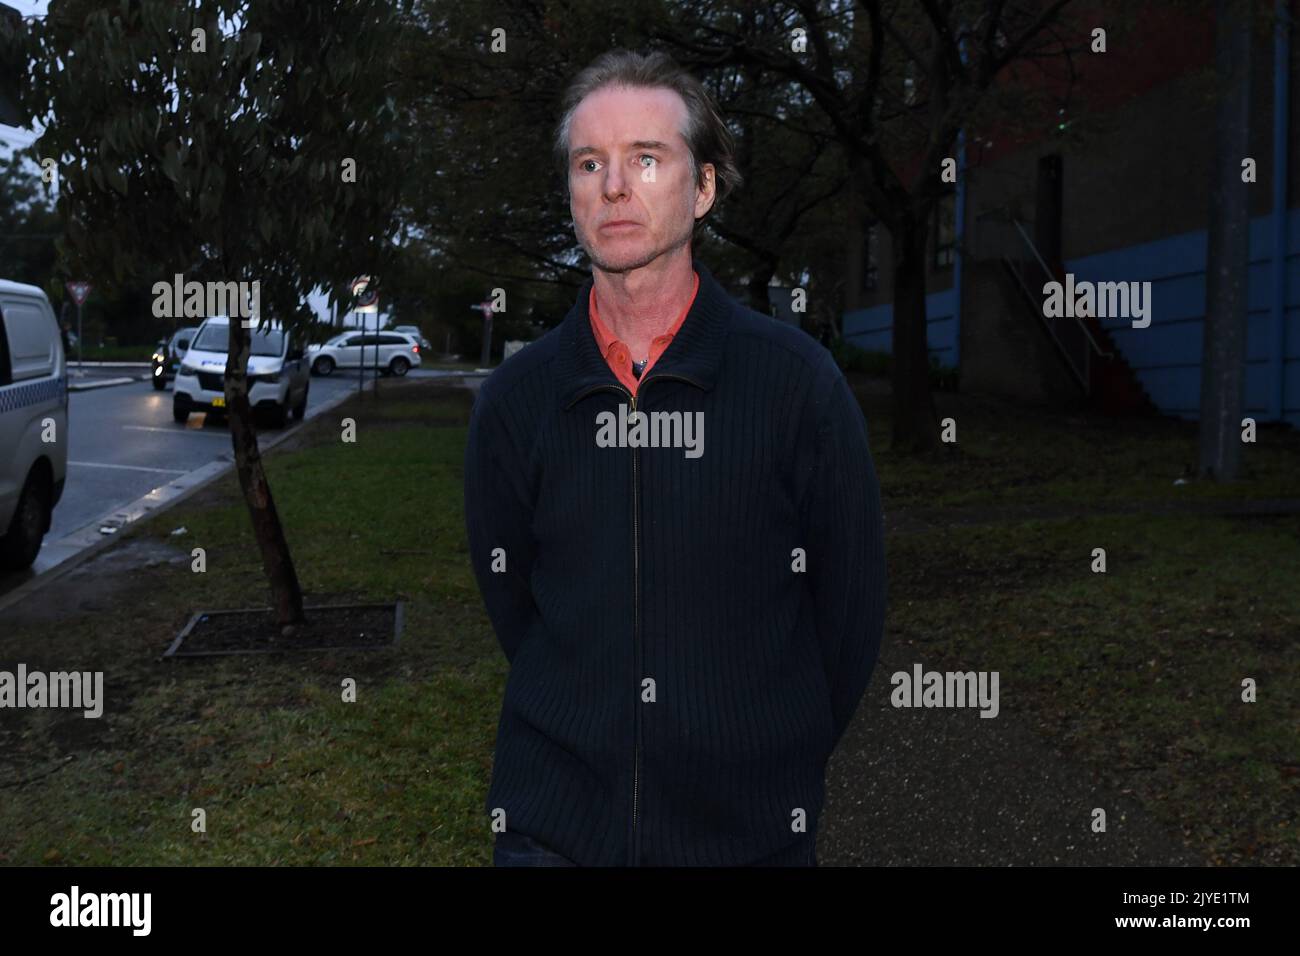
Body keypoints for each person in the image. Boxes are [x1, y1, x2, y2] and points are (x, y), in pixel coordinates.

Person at [464, 49, 886, 867]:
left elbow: (850, 607)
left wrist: (767, 750)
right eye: (591, 164)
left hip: (747, 836)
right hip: (553, 829)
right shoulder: (515, 400)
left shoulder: (796, 386)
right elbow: (512, 600)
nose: (614, 186)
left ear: (702, 190)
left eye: (645, 159)